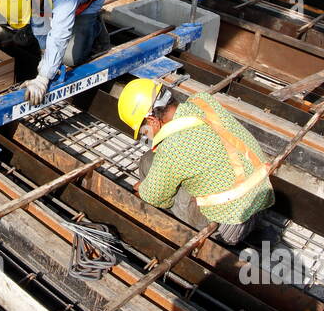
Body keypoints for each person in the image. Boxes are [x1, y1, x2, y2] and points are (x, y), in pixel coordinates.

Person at [117, 78, 274, 246]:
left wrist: (144, 189)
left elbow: (155, 197)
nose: (145, 135)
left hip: (230, 226)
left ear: (152, 121)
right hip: (263, 196)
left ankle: (214, 238)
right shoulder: (202, 100)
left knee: (151, 176)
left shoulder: (172, 149)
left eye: (143, 131)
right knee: (152, 160)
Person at [0, 0, 107, 105]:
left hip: (87, 3)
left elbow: (60, 34)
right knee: (41, 33)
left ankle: (96, 27)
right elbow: (39, 25)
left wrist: (43, 77)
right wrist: (45, 53)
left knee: (71, 58)